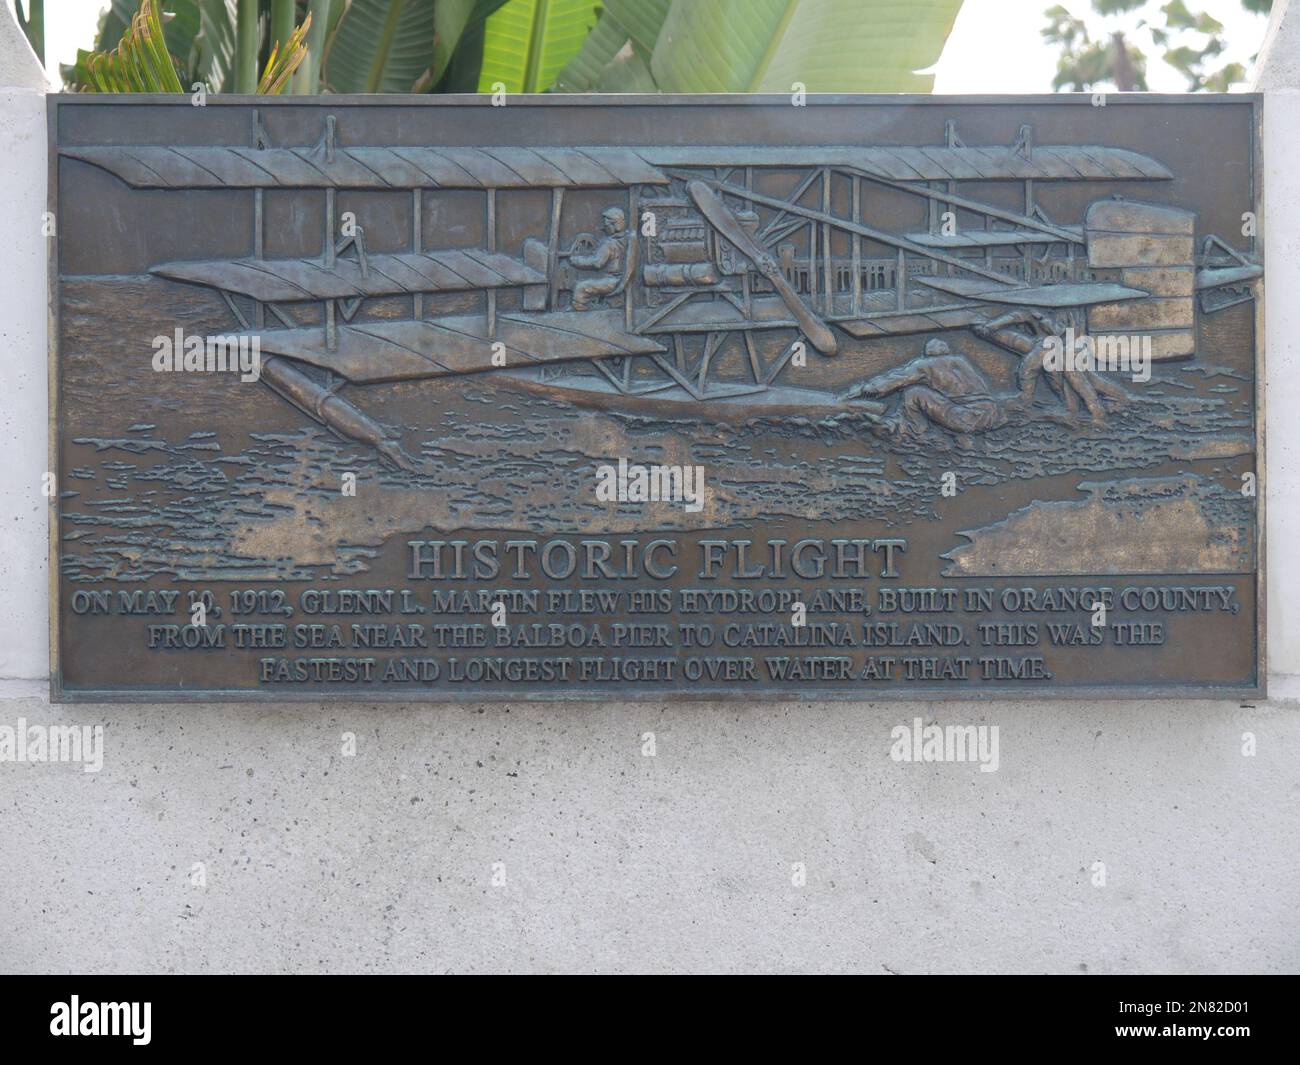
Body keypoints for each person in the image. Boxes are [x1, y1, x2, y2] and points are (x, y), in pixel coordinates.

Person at [841, 339, 1008, 442]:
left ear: (929, 353)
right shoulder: (961, 362)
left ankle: (917, 432)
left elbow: (896, 379)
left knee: (913, 392)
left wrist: (869, 388)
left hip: (963, 418)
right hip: (991, 415)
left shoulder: (925, 365)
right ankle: (964, 438)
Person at [568, 207, 629, 311]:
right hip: (619, 279)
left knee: (580, 287)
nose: (604, 228)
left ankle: (581, 313)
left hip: (612, 280)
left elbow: (597, 263)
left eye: (606, 225)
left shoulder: (609, 243)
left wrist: (576, 261)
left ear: (615, 225)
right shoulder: (627, 238)